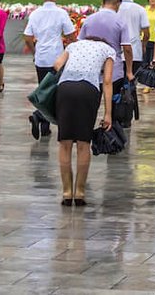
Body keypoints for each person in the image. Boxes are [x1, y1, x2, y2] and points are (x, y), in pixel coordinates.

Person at [51, 32, 116, 207]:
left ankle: (66, 192)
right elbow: (107, 81)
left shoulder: (73, 45)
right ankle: (79, 192)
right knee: (83, 143)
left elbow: (57, 65)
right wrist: (108, 113)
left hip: (65, 89)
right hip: (88, 90)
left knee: (65, 143)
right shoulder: (108, 50)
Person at [22, 0, 75, 140]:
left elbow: (27, 37)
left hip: (41, 57)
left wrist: (34, 51)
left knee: (43, 89)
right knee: (57, 92)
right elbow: (71, 35)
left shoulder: (35, 14)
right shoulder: (61, 13)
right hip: (57, 57)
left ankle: (43, 124)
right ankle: (41, 118)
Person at [118, 0, 149, 118]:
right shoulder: (139, 9)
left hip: (117, 52)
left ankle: (118, 112)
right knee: (131, 84)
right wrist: (143, 44)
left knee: (117, 84)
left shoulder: (116, 7)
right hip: (134, 51)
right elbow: (146, 32)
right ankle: (128, 114)